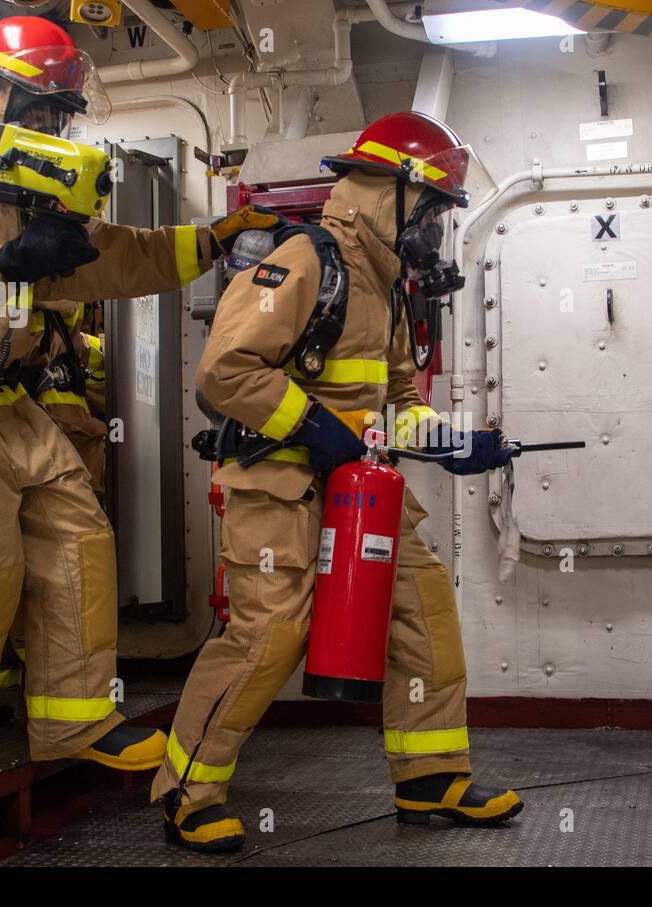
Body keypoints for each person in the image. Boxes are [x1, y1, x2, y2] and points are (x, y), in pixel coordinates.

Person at [0, 15, 275, 781]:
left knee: (79, 543)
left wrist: (212, 239)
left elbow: (113, 258)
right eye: (38, 108)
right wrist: (4, 261)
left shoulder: (31, 190)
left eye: (58, 114)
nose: (48, 126)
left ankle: (75, 721)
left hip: (9, 406)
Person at [151, 111, 523, 852]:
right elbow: (224, 372)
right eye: (430, 210)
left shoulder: (383, 287)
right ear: (389, 192)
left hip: (361, 493)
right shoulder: (303, 260)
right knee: (269, 636)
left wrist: (452, 442)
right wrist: (311, 426)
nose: (433, 230)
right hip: (279, 487)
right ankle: (188, 788)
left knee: (424, 612)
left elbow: (398, 400)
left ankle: (430, 777)